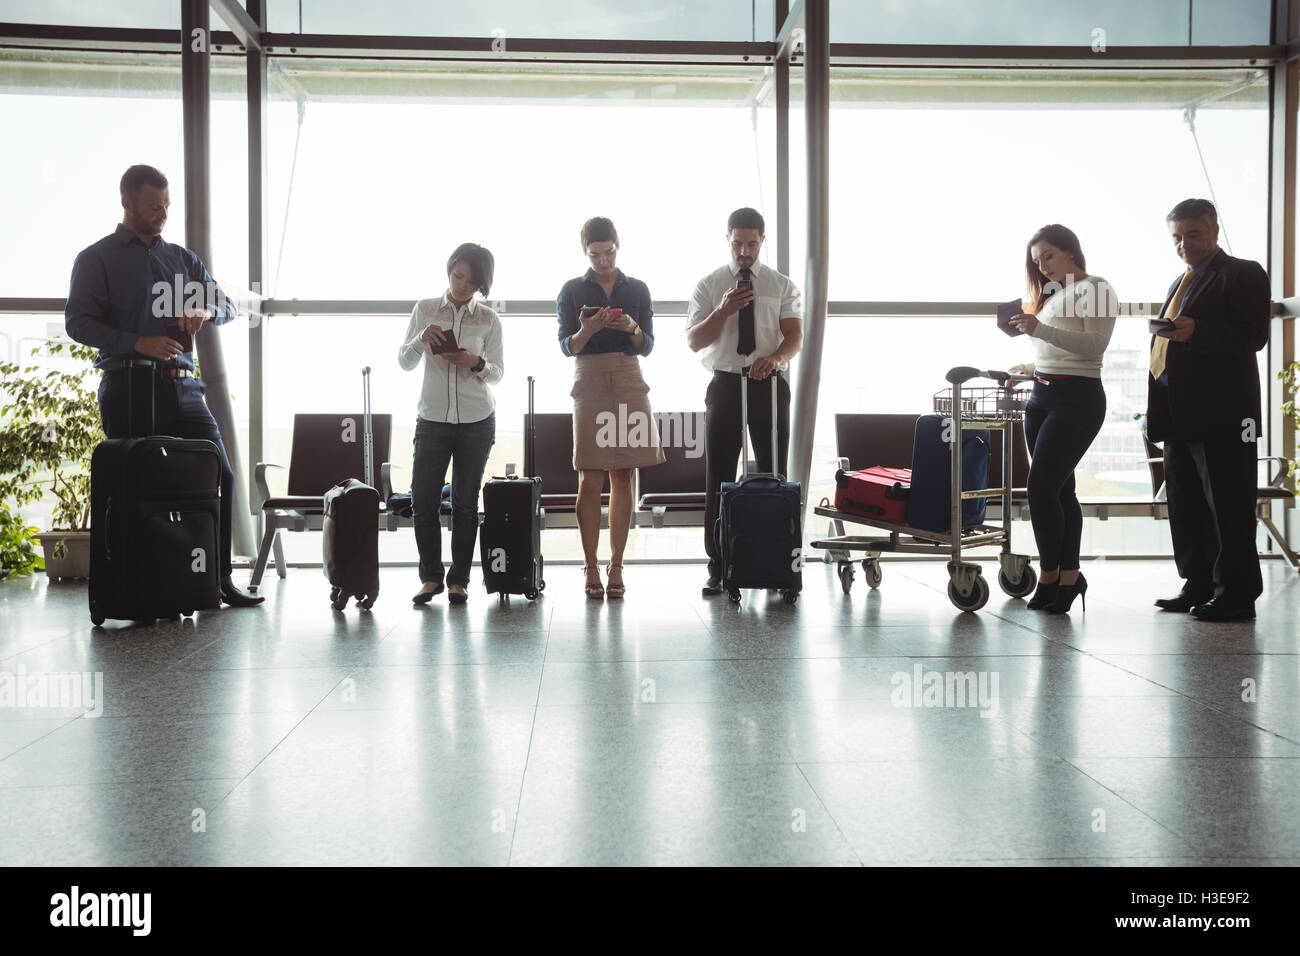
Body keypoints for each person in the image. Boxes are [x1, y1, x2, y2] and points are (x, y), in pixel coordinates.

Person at [65, 164, 263, 607]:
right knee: (133, 486)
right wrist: (138, 341)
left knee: (221, 476)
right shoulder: (97, 258)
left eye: (167, 205)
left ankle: (218, 578)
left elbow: (226, 305)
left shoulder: (184, 259)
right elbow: (77, 322)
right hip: (129, 386)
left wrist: (206, 312)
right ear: (127, 202)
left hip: (186, 390)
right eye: (154, 206)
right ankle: (134, 585)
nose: (162, 213)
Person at [1147, 198, 1270, 622]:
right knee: (1185, 503)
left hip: (1225, 414)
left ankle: (1237, 594)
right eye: (1176, 237)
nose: (1183, 244)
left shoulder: (1242, 273)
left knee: (1229, 505)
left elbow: (1253, 336)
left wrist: (1197, 330)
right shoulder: (1179, 282)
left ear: (1214, 230)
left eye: (1192, 234)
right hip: (1180, 413)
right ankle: (1198, 584)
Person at [686, 207, 803, 596]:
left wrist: (776, 359)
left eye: (751, 243)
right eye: (737, 243)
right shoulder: (709, 284)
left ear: (762, 241)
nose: (744, 251)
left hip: (768, 383)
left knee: (773, 473)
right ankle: (718, 564)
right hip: (725, 383)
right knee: (718, 475)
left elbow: (793, 337)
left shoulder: (782, 284)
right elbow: (694, 341)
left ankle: (775, 562)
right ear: (727, 239)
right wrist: (723, 311)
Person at [1009, 224, 1117, 614]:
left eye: (1049, 256)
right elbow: (1051, 352)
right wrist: (1025, 367)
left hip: (1077, 398)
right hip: (1041, 396)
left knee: (1040, 489)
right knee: (1059, 491)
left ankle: (1050, 574)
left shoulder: (1097, 288)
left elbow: (1094, 345)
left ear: (1071, 250)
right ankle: (1070, 578)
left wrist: (1040, 329)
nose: (1043, 266)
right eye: (1037, 261)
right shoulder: (1054, 296)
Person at [557, 217, 664, 599]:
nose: (603, 261)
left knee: (623, 474)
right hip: (589, 376)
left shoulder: (637, 288)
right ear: (585, 252)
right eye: (595, 254)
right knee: (590, 475)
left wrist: (631, 327)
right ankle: (589, 565)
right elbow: (566, 345)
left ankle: (616, 564)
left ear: (619, 246)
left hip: (628, 373)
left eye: (610, 252)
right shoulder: (571, 290)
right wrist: (588, 329)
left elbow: (648, 344)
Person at [399, 243, 504, 605]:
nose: (462, 286)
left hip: (477, 420)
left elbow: (498, 373)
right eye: (458, 276)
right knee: (423, 500)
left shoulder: (489, 318)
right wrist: (420, 339)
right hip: (432, 419)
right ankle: (430, 578)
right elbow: (404, 361)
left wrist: (475, 362)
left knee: (464, 503)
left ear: (481, 286)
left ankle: (459, 580)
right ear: (449, 271)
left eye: (471, 282)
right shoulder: (425, 309)